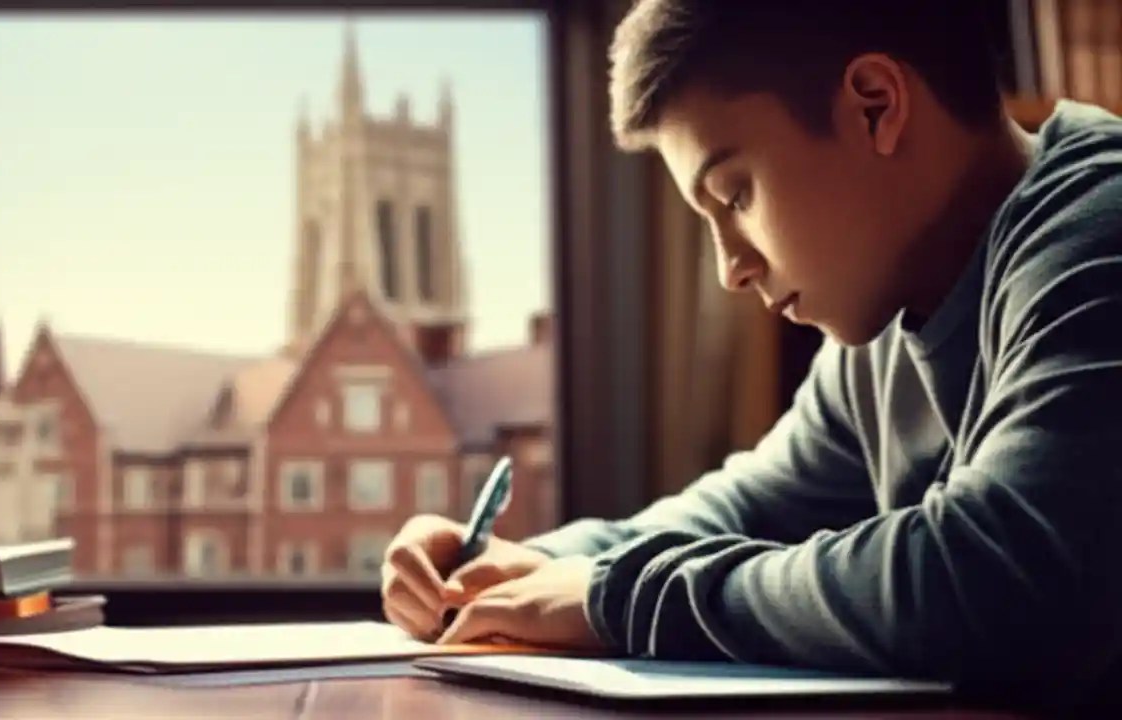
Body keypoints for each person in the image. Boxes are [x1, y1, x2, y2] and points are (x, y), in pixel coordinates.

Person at [381, 0, 1122, 708]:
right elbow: (746, 510)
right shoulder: (887, 318)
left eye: (735, 196)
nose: (730, 270)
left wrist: (617, 598)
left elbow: (1000, 584)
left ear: (875, 106)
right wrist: (530, 568)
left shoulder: (1100, 233)